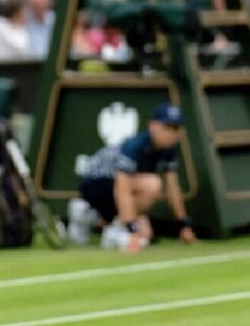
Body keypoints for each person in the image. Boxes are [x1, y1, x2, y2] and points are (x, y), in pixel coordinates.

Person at [70, 102, 198, 252]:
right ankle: (113, 229)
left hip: (117, 189)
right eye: (167, 127)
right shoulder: (135, 146)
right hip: (94, 183)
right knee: (152, 184)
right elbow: (121, 186)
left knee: (147, 233)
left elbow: (173, 188)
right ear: (152, 126)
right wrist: (130, 228)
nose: (171, 134)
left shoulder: (169, 150)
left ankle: (89, 217)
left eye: (176, 129)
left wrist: (183, 226)